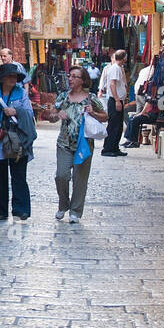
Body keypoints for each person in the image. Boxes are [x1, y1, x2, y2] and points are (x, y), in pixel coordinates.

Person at [43, 65, 107, 223]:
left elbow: (105, 117)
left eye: (74, 76)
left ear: (82, 80)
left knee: (80, 180)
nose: (70, 79)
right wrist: (57, 114)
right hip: (64, 143)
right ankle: (63, 204)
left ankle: (75, 211)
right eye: (69, 75)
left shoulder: (91, 98)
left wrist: (93, 113)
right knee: (61, 176)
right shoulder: (63, 97)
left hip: (84, 145)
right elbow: (50, 115)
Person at [0, 62, 35, 221]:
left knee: (18, 173)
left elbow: (29, 113)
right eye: (10, 76)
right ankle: (0, 210)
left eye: (15, 76)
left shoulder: (21, 93)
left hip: (16, 137)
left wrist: (16, 111)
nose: (13, 79)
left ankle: (21, 209)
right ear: (3, 78)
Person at [99, 49, 129, 156]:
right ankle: (108, 149)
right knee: (113, 125)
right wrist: (117, 100)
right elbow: (112, 84)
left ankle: (114, 148)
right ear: (124, 57)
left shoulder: (119, 68)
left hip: (118, 99)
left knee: (118, 125)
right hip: (114, 100)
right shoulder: (115, 68)